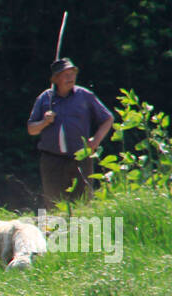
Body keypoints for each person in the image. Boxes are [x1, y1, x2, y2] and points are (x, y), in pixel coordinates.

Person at [27, 58, 113, 209]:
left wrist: (96, 140)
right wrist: (44, 122)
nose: (70, 78)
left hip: (81, 159)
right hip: (52, 160)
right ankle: (55, 232)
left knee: (83, 204)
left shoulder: (85, 95)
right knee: (53, 205)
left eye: (72, 73)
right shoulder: (45, 98)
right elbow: (31, 129)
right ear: (56, 79)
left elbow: (108, 118)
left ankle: (82, 233)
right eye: (65, 74)